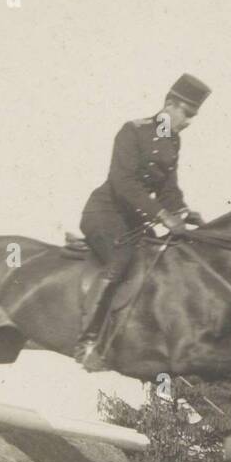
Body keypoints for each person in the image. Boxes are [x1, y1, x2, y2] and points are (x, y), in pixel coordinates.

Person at [75, 73, 211, 370]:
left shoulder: (173, 142)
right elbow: (123, 183)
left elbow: (167, 190)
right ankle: (88, 340)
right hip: (104, 214)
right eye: (186, 113)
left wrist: (184, 212)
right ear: (169, 105)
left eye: (193, 116)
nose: (188, 121)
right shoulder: (133, 131)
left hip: (134, 222)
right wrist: (163, 216)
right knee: (123, 258)